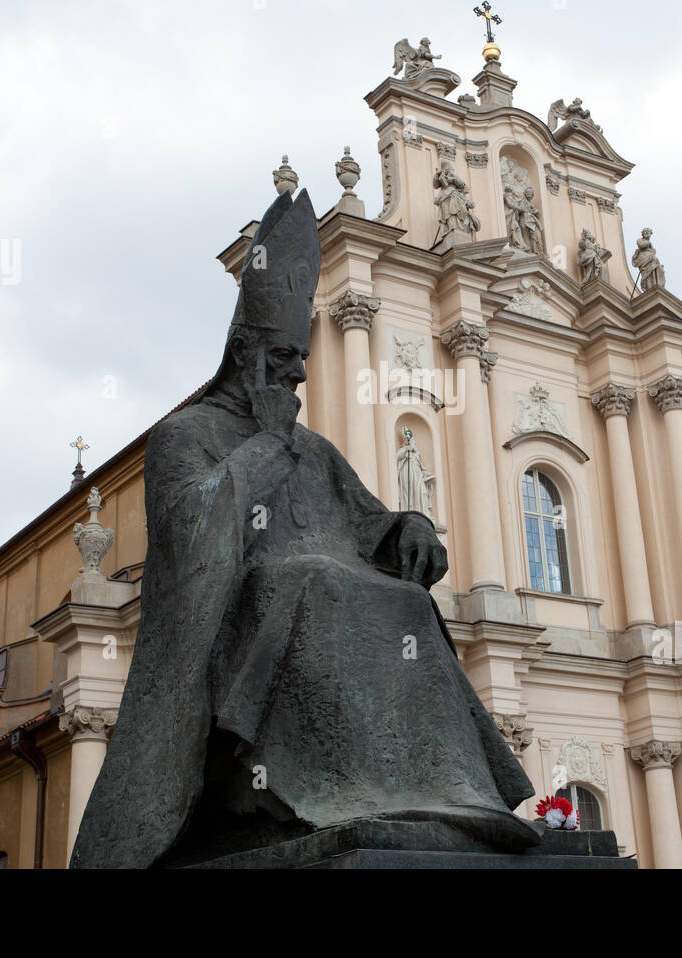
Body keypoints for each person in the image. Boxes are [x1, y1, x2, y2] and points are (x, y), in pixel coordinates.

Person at [71, 189, 538, 867]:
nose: (296, 371)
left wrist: (409, 526)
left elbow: (367, 521)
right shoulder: (184, 435)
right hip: (235, 616)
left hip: (316, 593)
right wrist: (265, 446)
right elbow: (189, 541)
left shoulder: (313, 448)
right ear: (241, 350)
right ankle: (335, 795)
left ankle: (441, 791)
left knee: (402, 599)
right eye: (282, 356)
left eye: (300, 358)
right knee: (312, 581)